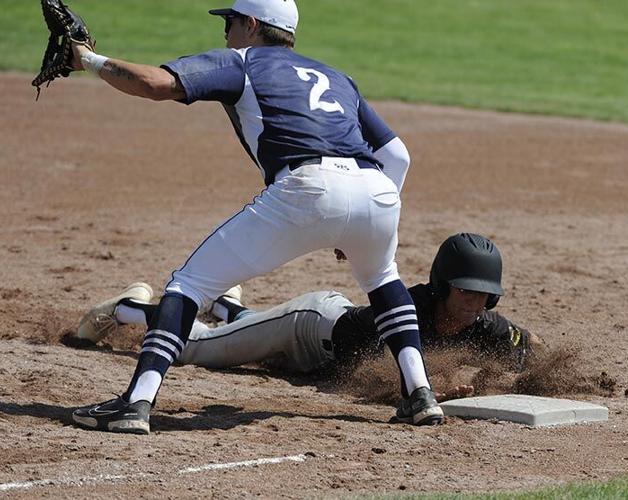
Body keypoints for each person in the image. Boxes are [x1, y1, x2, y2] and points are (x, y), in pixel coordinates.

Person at [69, 0, 442, 434]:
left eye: (229, 23)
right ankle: (420, 394)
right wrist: (362, 219)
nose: (225, 33)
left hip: (309, 187)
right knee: (382, 278)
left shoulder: (242, 62)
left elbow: (155, 84)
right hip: (377, 192)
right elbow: (397, 155)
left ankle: (135, 404)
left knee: (188, 286)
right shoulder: (337, 76)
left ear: (251, 24)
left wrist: (87, 59)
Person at [75, 233, 540, 403]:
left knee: (243, 329)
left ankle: (228, 306)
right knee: (194, 350)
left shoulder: (484, 325)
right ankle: (127, 308)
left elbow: (526, 345)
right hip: (305, 327)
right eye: (465, 291)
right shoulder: (408, 309)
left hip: (311, 358)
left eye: (484, 296)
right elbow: (377, 380)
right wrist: (435, 387)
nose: (474, 303)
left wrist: (505, 372)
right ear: (441, 286)